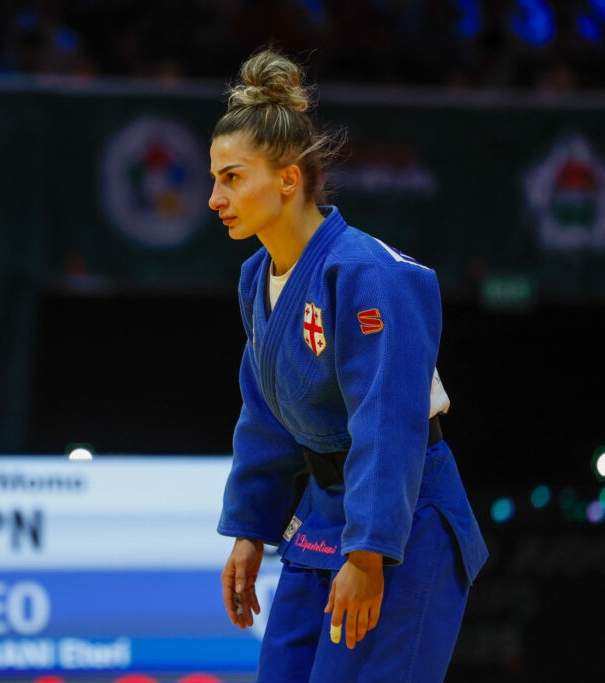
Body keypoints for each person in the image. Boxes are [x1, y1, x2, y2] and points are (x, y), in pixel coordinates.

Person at [210, 49, 488, 682]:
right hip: (322, 511)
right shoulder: (258, 278)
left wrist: (368, 552)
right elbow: (266, 416)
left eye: (231, 178)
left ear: (287, 179)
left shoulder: (368, 274)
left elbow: (387, 421)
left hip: (404, 517)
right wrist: (251, 529)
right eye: (215, 179)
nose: (214, 197)